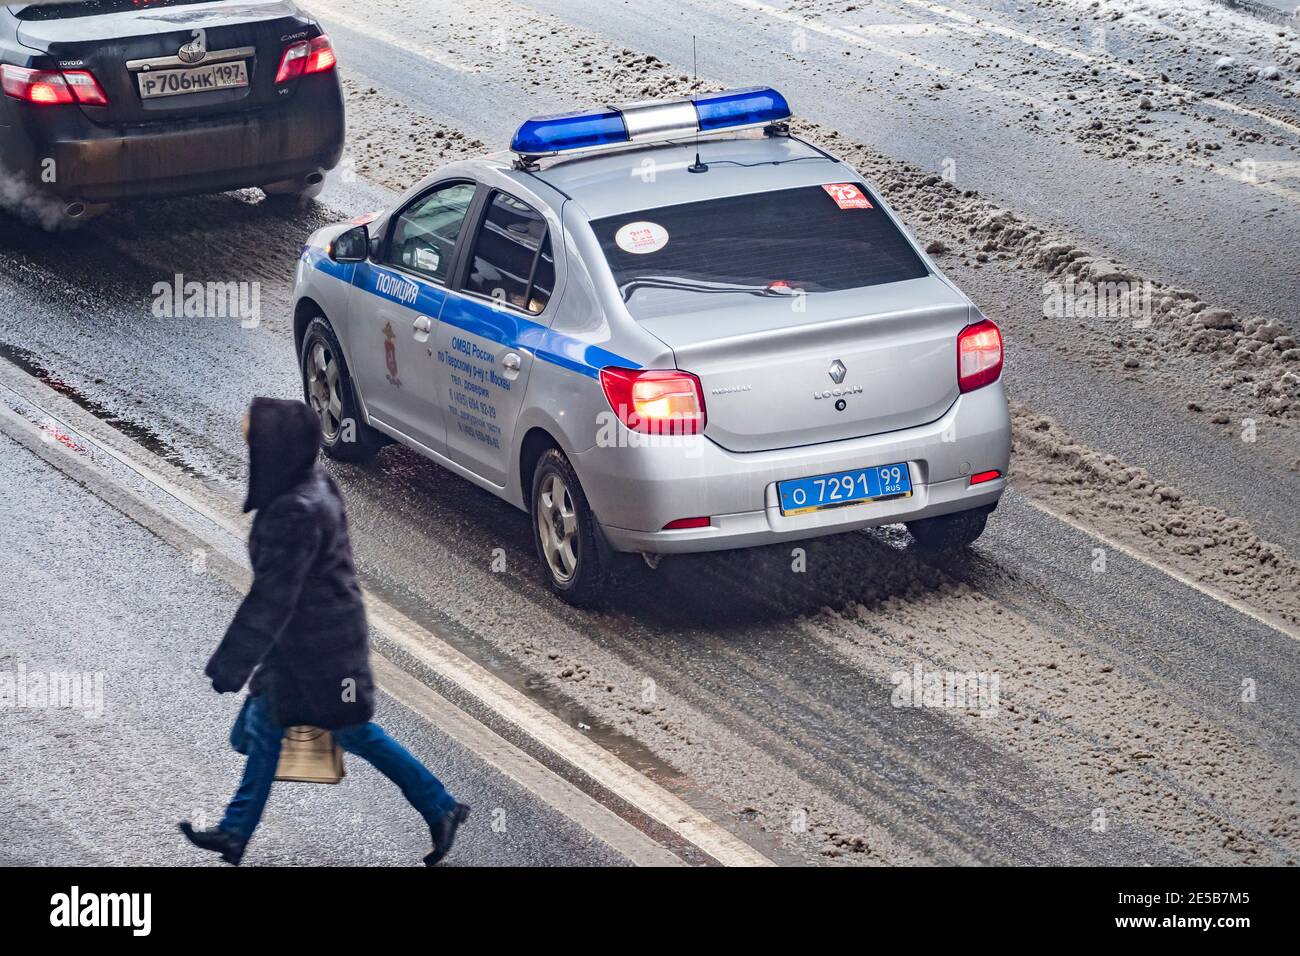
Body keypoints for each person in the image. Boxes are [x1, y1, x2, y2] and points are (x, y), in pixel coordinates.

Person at [180, 397, 469, 866]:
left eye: (253, 438)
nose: (248, 444)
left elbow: (271, 599)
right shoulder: (312, 485)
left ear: (277, 450)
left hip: (318, 650)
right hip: (314, 642)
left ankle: (441, 806)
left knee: (338, 731)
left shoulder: (293, 510)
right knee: (272, 727)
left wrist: (230, 665)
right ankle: (235, 833)